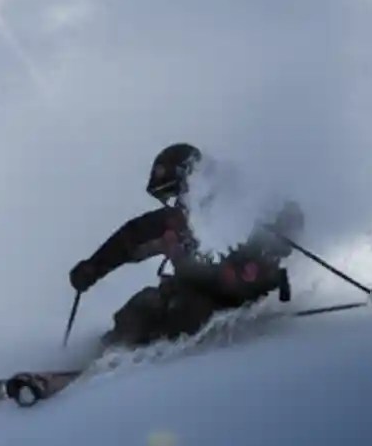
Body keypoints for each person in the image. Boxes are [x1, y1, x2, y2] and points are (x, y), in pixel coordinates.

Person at [68, 143, 305, 348]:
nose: (173, 204)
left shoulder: (239, 202)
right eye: (168, 199)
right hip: (195, 290)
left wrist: (274, 238)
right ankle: (98, 358)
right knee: (141, 307)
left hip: (237, 300)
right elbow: (131, 238)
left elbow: (288, 216)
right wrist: (93, 268)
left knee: (185, 311)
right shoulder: (176, 221)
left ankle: (160, 359)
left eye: (174, 194)